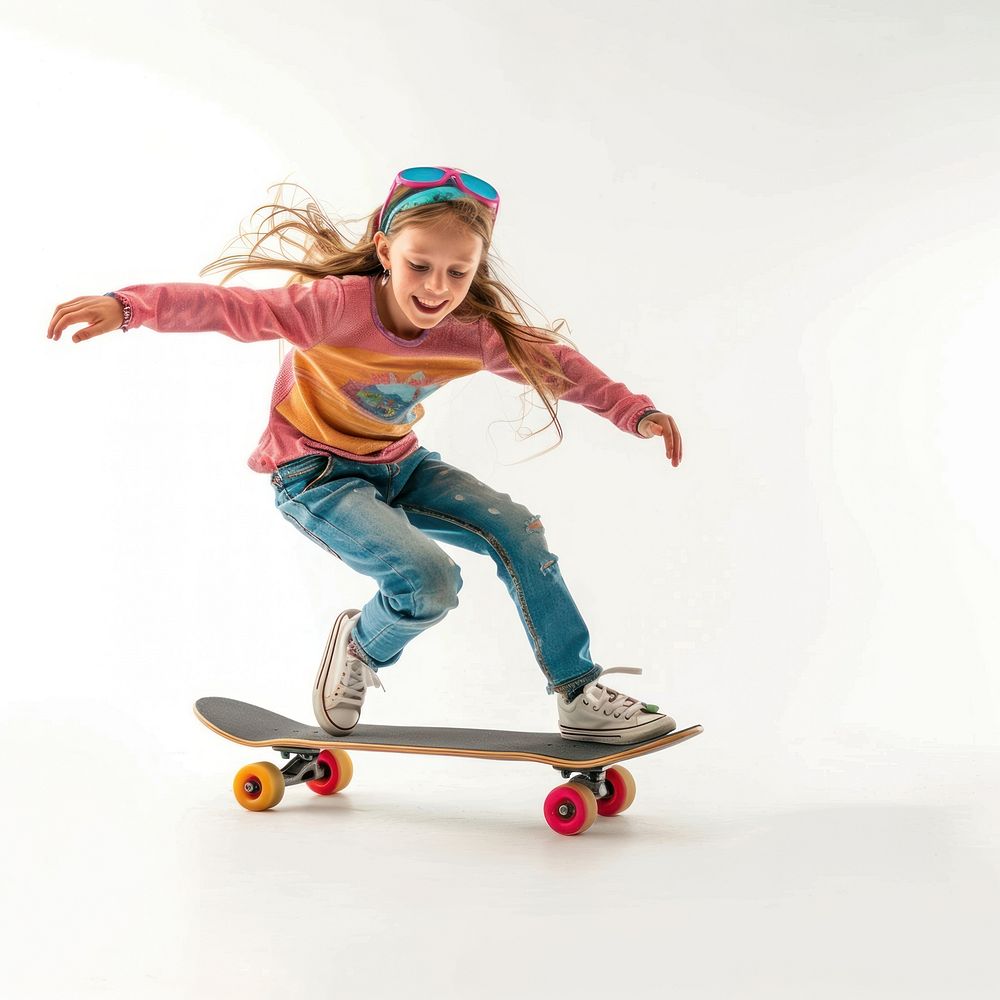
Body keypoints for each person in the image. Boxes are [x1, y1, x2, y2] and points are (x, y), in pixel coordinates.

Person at [46, 165, 684, 745]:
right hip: (314, 474)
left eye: (458, 273)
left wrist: (635, 412)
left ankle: (577, 691)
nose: (437, 289)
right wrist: (130, 306)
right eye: (419, 266)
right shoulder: (331, 309)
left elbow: (555, 364)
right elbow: (232, 309)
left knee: (521, 532)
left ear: (477, 270)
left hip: (401, 465)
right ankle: (360, 647)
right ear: (385, 252)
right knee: (431, 582)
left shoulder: (473, 333)